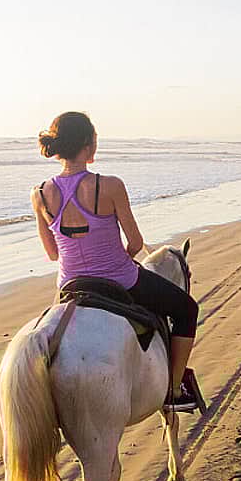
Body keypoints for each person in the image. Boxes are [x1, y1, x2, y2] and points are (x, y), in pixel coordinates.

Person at [32, 112, 204, 412]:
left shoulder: (40, 194)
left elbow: (53, 254)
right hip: (120, 280)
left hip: (69, 286)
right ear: (89, 144)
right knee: (187, 309)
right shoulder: (109, 185)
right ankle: (174, 390)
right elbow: (136, 243)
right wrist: (116, 262)